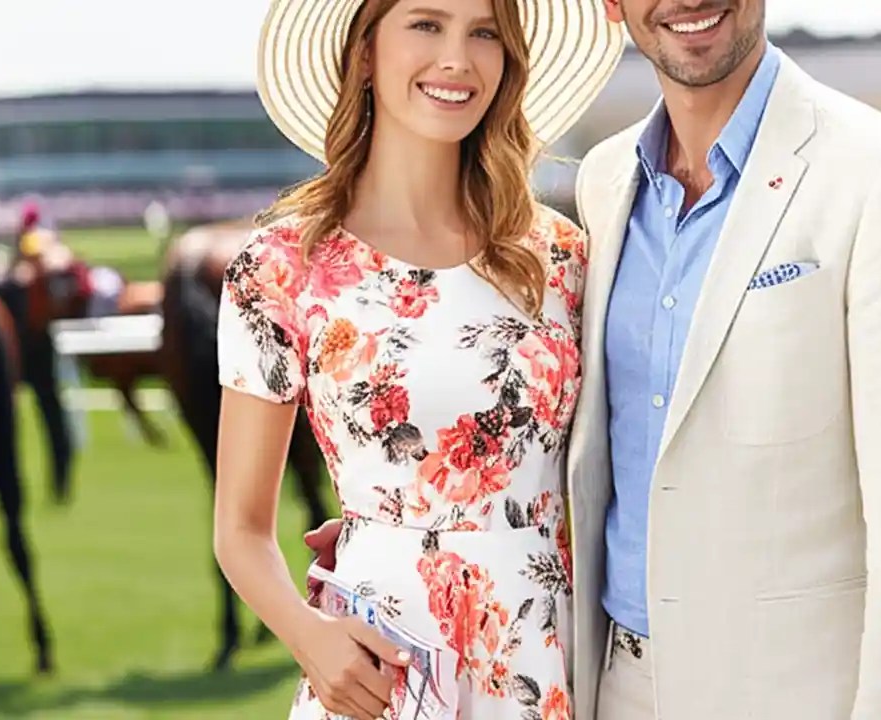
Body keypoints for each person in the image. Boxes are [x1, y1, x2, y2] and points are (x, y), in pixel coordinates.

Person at [310, 1, 881, 718]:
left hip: (793, 692)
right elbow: (581, 438)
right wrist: (411, 526)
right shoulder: (605, 183)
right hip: (610, 684)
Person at [211, 1, 622, 719]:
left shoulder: (561, 258)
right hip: (381, 669)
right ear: (366, 52)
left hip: (546, 658)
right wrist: (312, 639)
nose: (457, 59)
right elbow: (240, 530)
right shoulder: (281, 267)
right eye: (427, 24)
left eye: (484, 32)